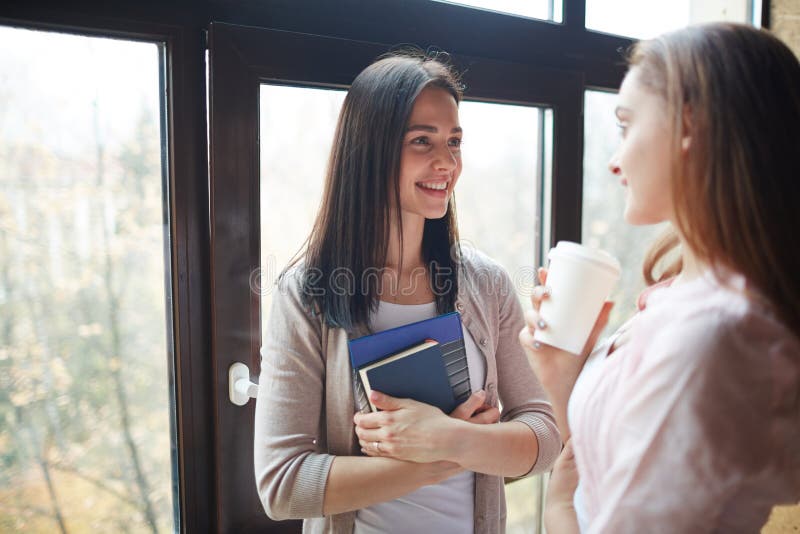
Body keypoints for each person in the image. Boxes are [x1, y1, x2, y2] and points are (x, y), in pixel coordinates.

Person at [254, 51, 561, 534]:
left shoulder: (487, 284)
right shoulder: (307, 295)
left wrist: (450, 438)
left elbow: (545, 439)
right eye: (423, 141)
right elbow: (283, 484)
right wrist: (438, 455)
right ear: (371, 149)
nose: (447, 163)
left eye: (454, 142)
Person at [521, 22, 800, 533]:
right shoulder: (682, 293)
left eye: (626, 126)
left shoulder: (713, 337)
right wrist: (563, 375)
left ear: (690, 126)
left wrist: (559, 511)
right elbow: (619, 466)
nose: (614, 161)